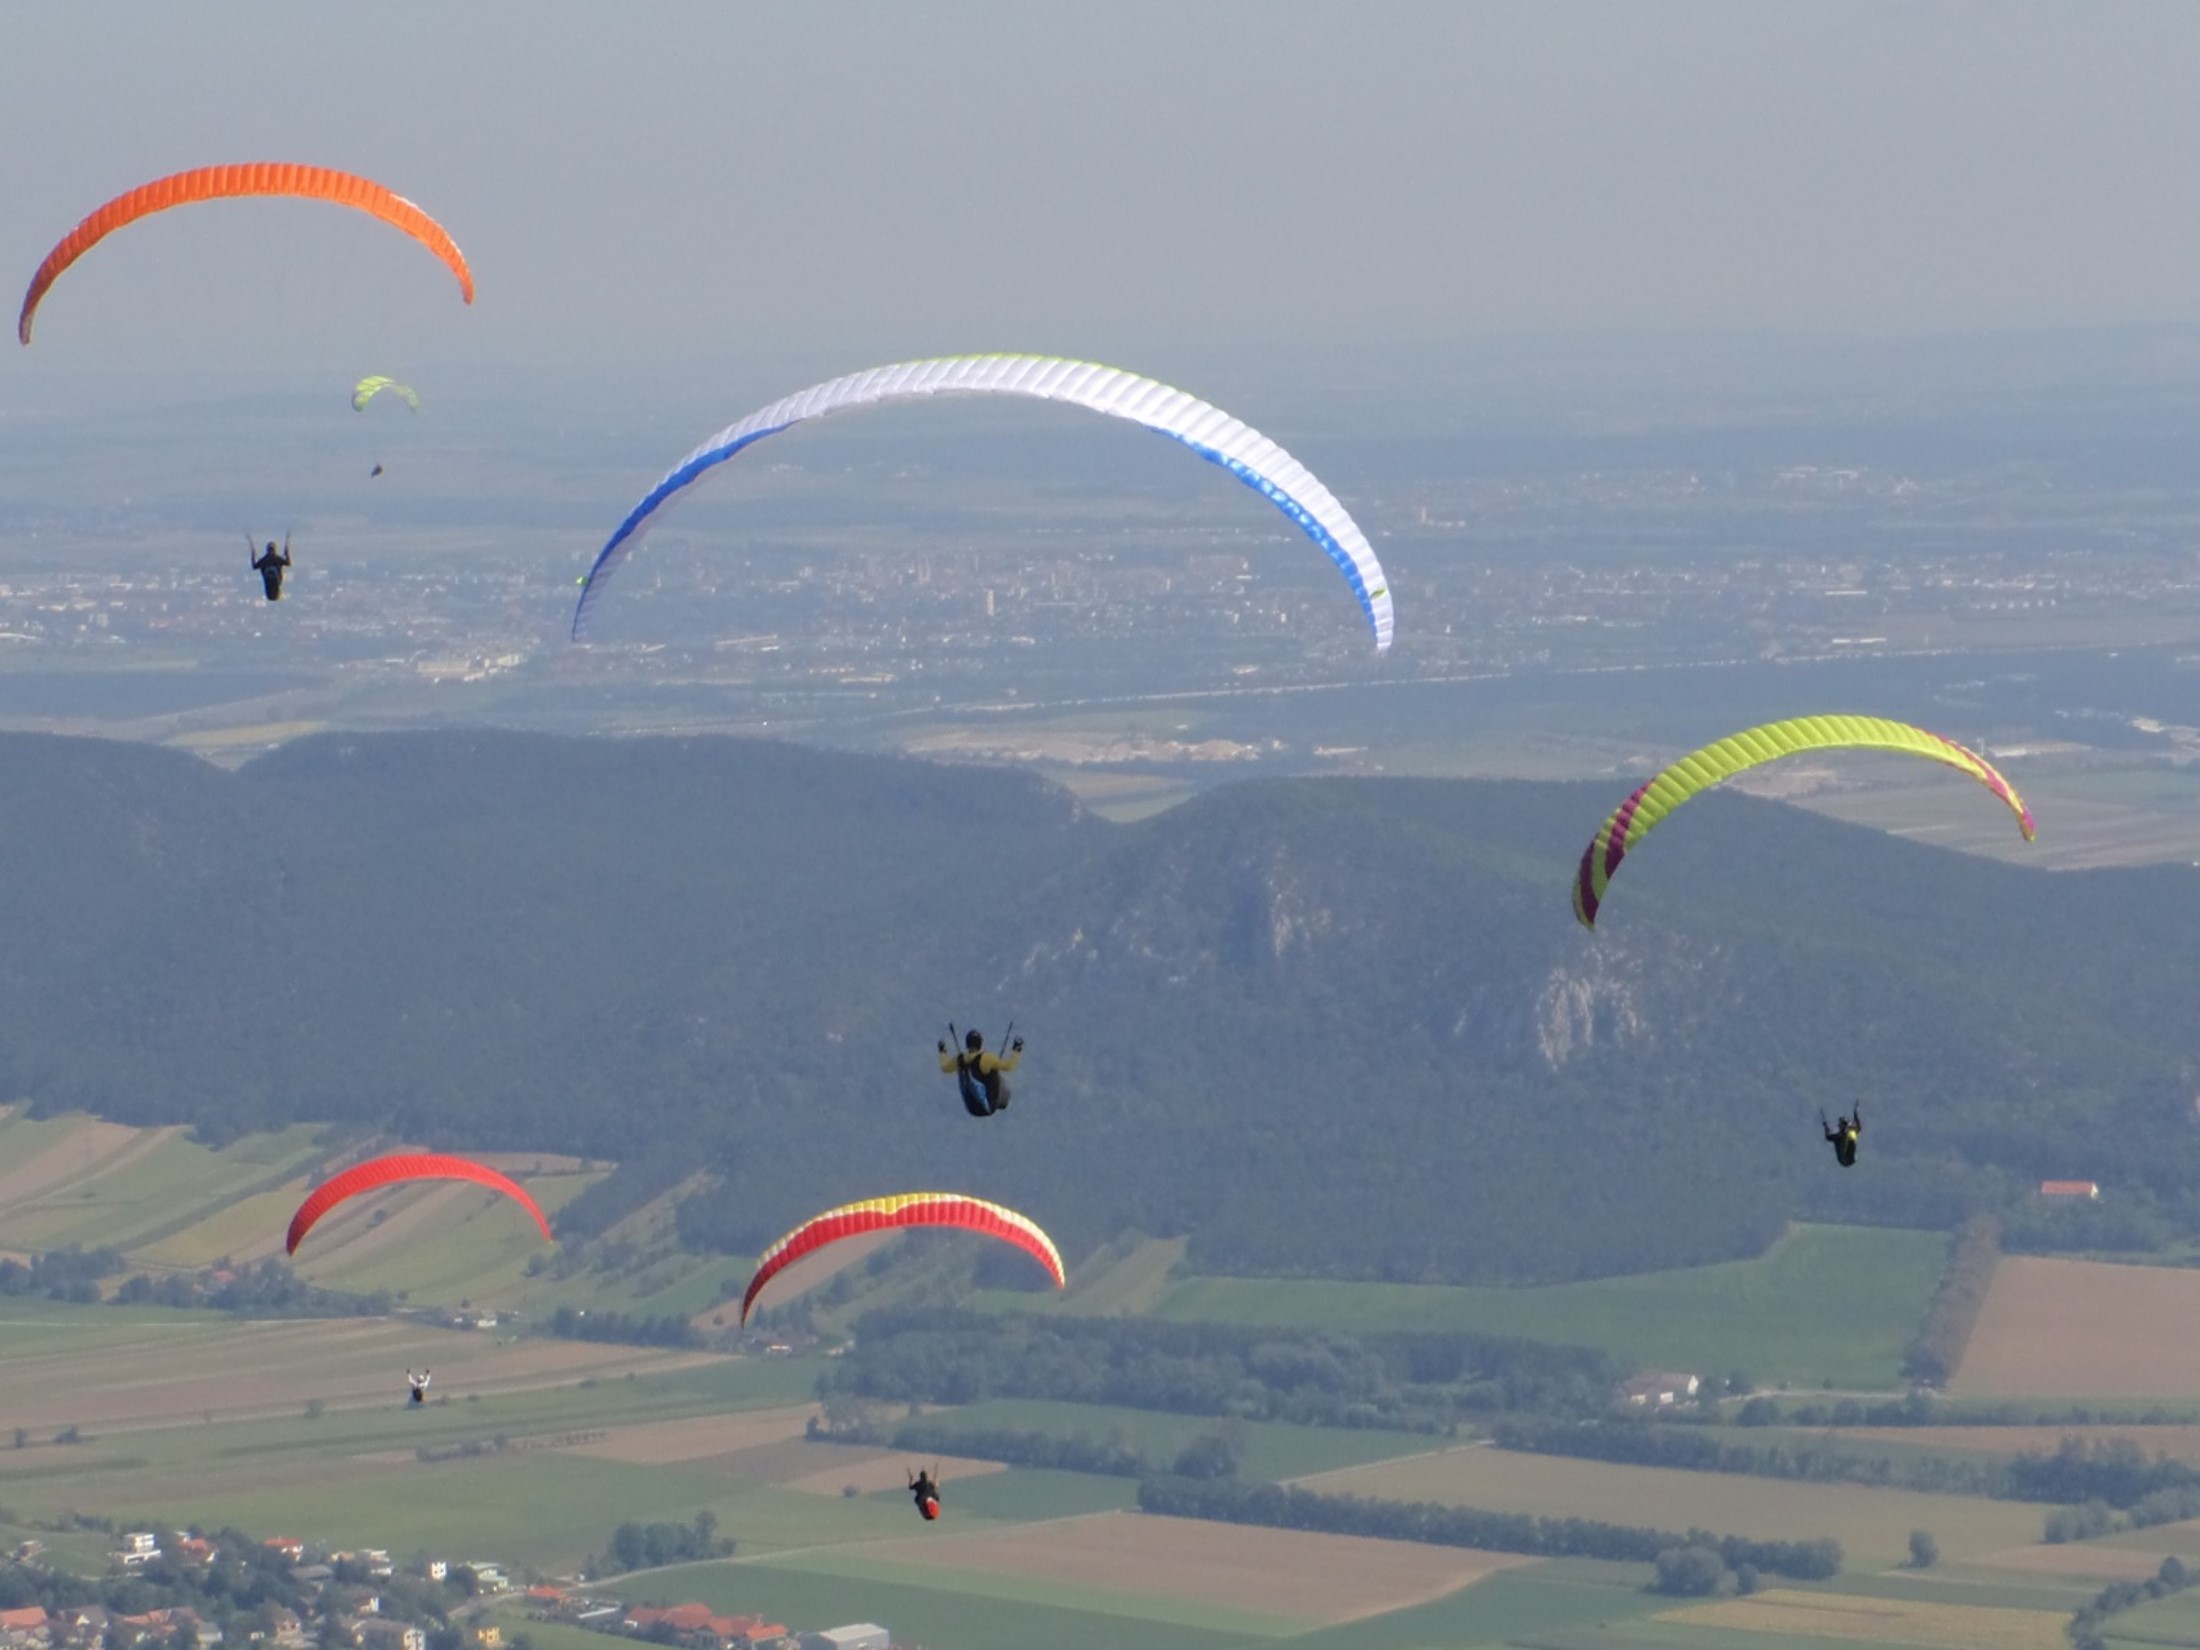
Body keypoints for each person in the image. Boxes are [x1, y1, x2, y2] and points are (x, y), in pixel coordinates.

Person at [937, 1024, 1022, 1118]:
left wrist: (942, 1052)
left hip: (971, 1108)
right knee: (998, 1075)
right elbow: (1009, 1066)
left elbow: (944, 1068)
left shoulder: (960, 1059)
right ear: (980, 1044)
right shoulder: (987, 1058)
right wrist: (1016, 1050)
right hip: (989, 1107)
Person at [249, 533, 292, 602]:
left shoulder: (263, 560)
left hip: (268, 582)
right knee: (273, 574)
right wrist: (287, 553)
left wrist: (253, 554)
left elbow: (254, 566)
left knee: (269, 575)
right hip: (275, 581)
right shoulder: (278, 558)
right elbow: (288, 563)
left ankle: (271, 577)